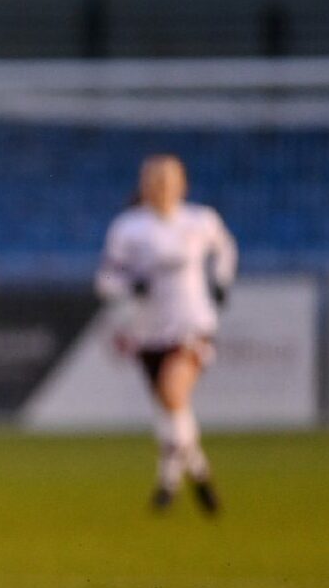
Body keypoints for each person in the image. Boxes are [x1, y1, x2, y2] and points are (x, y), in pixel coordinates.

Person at [96, 154, 237, 513]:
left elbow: (225, 249)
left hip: (192, 325)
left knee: (173, 393)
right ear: (143, 186)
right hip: (148, 332)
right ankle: (190, 474)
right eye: (154, 181)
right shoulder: (128, 228)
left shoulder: (200, 220)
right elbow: (106, 279)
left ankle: (177, 483)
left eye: (168, 181)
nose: (161, 188)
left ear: (182, 185)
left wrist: (221, 282)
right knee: (170, 409)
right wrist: (130, 286)